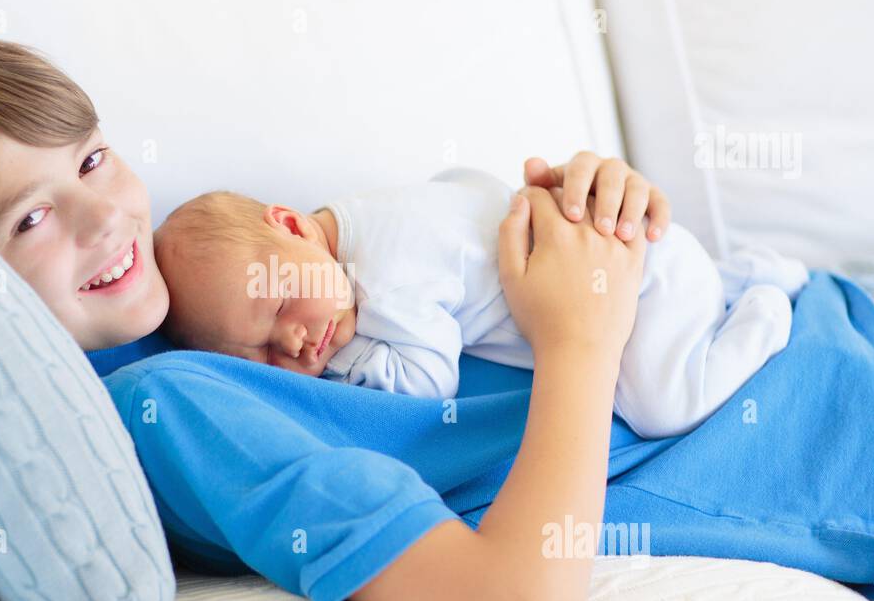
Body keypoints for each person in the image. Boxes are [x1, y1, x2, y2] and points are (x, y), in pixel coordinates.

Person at [0, 38, 874, 601]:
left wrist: (595, 211)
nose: (103, 217)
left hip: (811, 305)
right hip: (872, 423)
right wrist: (584, 328)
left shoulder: (204, 289)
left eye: (94, 159)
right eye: (28, 217)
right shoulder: (174, 408)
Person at [150, 168, 811, 439]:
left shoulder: (383, 281)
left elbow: (429, 381)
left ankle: (764, 308)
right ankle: (734, 277)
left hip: (638, 281)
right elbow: (467, 180)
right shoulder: (369, 212)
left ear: (291, 224)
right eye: (265, 356)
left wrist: (344, 362)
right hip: (636, 257)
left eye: (278, 306)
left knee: (661, 407)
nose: (295, 343)